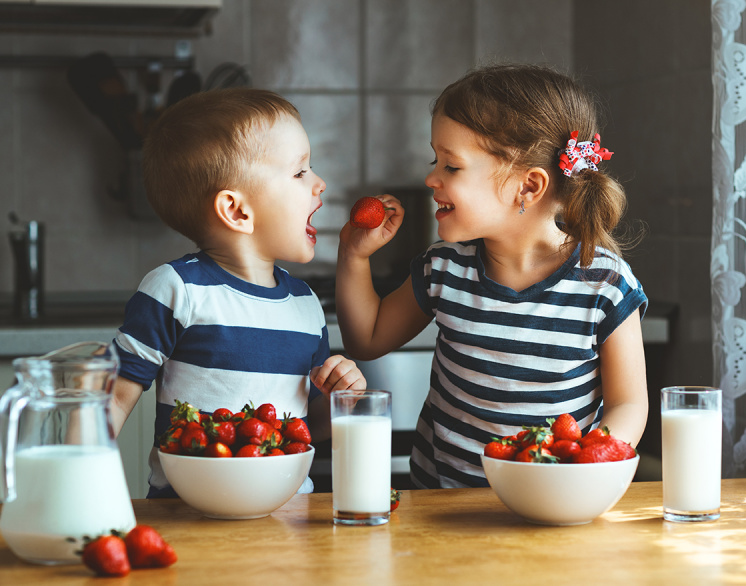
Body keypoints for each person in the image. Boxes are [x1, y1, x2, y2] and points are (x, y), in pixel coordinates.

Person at [335, 63, 648, 489]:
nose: (431, 178)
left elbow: (629, 404)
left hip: (549, 503)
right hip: (441, 507)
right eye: (435, 160)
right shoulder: (444, 267)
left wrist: (586, 468)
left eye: (452, 166)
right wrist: (354, 257)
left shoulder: (604, 285)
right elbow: (366, 339)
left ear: (528, 186)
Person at [110, 88, 366, 497]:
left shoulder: (305, 305)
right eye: (300, 172)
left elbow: (306, 428)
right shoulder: (176, 290)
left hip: (288, 522)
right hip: (188, 521)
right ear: (237, 211)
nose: (319, 184)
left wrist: (341, 403)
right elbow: (114, 399)